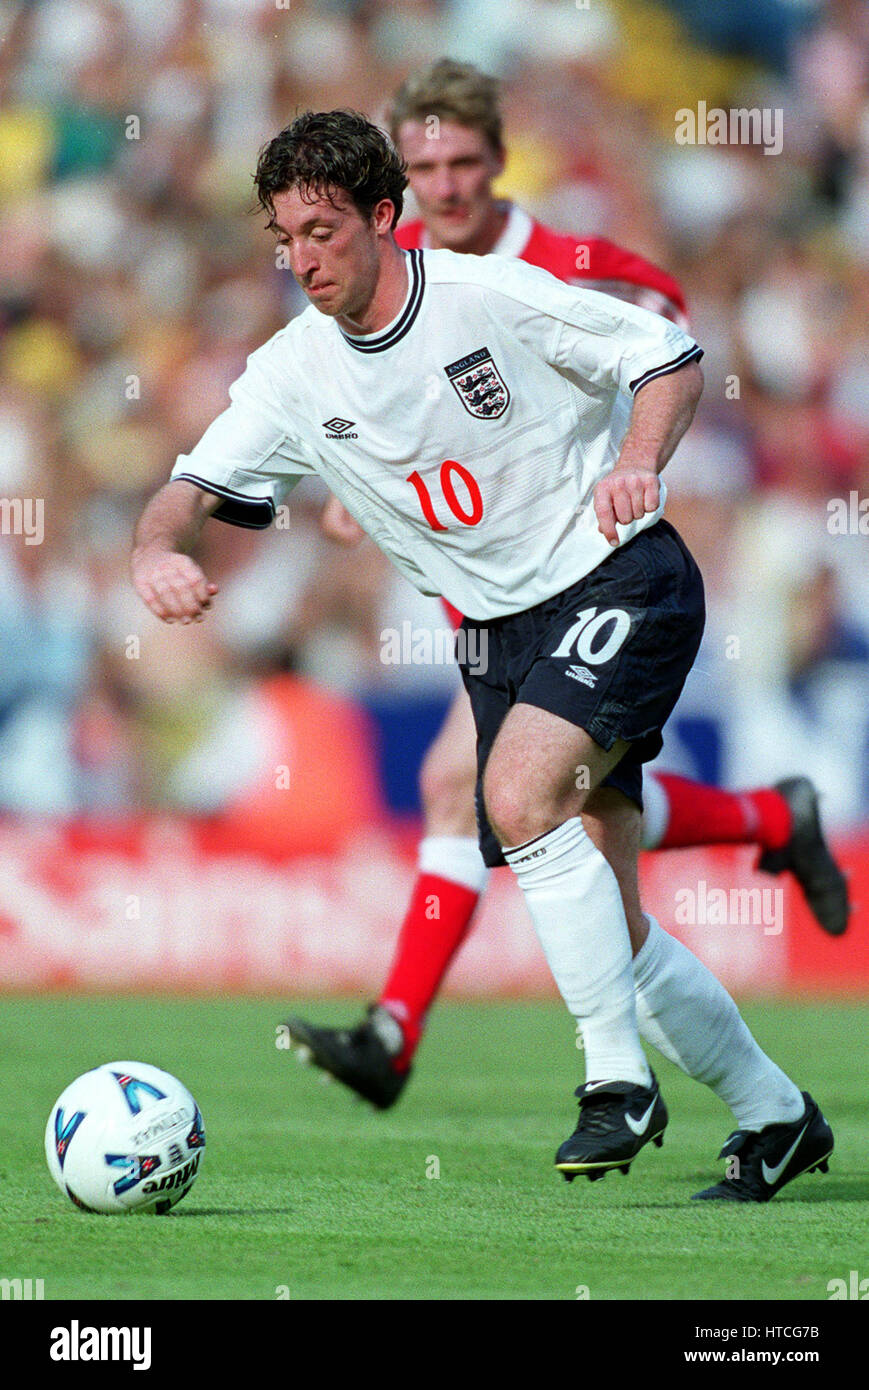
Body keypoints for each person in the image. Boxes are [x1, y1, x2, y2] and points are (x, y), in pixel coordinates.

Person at [131, 108, 833, 1199]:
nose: (301, 257)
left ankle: (616, 1083)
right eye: (284, 237)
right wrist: (155, 552)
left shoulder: (483, 294)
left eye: (321, 229)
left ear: (381, 216)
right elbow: (184, 491)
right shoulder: (291, 373)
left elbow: (667, 358)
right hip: (498, 636)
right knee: (610, 913)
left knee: (508, 791)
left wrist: (637, 460)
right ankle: (774, 1114)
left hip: (618, 577)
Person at [282, 60, 849, 1114]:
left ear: (500, 161)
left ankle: (402, 1034)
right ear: (393, 182)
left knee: (493, 793)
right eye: (422, 167)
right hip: (486, 610)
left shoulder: (563, 263)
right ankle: (770, 831)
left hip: (593, 588)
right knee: (568, 824)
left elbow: (665, 341)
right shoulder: (389, 279)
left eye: (462, 163)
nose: (445, 188)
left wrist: (618, 449)